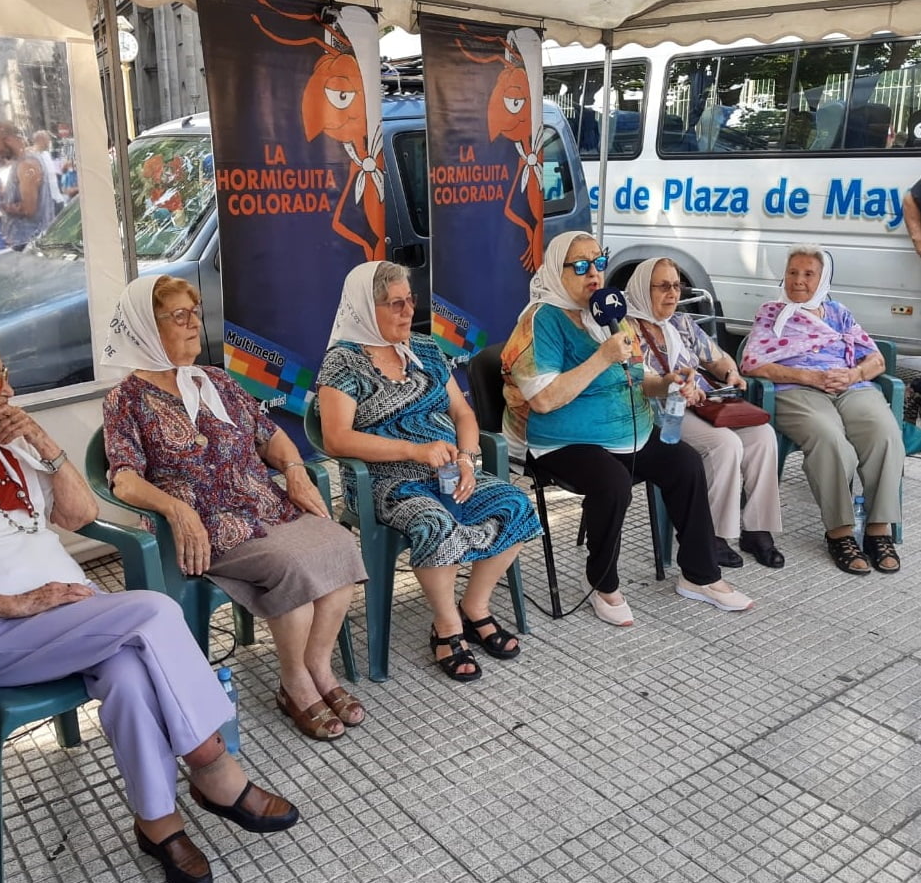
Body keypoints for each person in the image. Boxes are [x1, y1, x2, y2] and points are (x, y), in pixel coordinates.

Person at [0, 319, 299, 883]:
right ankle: (215, 767)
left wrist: (44, 444)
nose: (6, 390)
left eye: (4, 373)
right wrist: (13, 604)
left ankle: (157, 823)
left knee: (131, 673)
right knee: (156, 612)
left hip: (66, 620)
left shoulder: (0, 441)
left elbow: (79, 514)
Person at [102, 276, 368, 742]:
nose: (193, 324)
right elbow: (123, 479)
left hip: (263, 504)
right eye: (178, 316)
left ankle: (318, 669)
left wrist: (295, 469)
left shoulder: (216, 380)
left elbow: (270, 435)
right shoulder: (125, 399)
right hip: (209, 525)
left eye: (194, 313)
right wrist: (177, 511)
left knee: (340, 545)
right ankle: (295, 685)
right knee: (294, 566)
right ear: (146, 326)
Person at [500, 231, 754, 627]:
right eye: (580, 265)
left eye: (598, 262)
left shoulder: (607, 313)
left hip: (627, 431)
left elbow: (639, 378)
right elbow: (544, 399)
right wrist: (602, 356)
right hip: (562, 441)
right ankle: (604, 583)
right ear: (556, 270)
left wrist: (667, 381)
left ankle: (700, 576)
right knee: (613, 482)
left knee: (684, 463)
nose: (594, 273)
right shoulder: (541, 320)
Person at [316, 261, 541, 681]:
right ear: (367, 307)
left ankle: (473, 608)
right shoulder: (343, 363)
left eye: (410, 300)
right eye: (395, 303)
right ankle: (446, 628)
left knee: (515, 504)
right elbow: (337, 439)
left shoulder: (426, 350)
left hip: (446, 469)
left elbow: (462, 412)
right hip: (385, 480)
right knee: (434, 522)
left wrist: (466, 459)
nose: (407, 311)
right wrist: (413, 450)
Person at [740, 245, 904, 575]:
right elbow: (752, 362)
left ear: (823, 278)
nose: (798, 281)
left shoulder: (839, 313)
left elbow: (876, 359)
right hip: (797, 388)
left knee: (884, 433)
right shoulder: (772, 313)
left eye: (808, 274)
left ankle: (878, 529)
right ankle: (840, 532)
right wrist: (807, 376)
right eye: (792, 272)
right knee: (831, 441)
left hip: (849, 385)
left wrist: (855, 374)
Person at [624, 258, 784, 568]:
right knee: (725, 444)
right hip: (661, 414)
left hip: (703, 404)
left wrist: (730, 375)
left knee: (763, 436)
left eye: (676, 286)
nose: (672, 294)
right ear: (643, 289)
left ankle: (756, 528)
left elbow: (716, 358)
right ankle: (712, 534)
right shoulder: (627, 328)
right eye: (663, 286)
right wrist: (678, 388)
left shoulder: (681, 323)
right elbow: (637, 381)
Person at [0, 121, 54, 249]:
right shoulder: (22, 161)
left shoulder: (26, 164)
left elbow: (28, 209)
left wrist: (0, 205)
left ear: (8, 140)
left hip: (28, 243)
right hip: (25, 241)